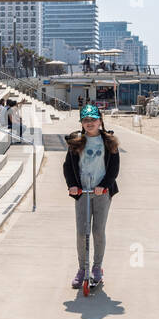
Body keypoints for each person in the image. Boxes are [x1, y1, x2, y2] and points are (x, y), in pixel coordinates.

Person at [63, 103, 120, 289]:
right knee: (81, 232)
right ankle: (82, 269)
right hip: (82, 193)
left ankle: (96, 268)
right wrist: (72, 185)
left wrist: (104, 185)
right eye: (86, 120)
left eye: (93, 120)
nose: (90, 123)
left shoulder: (109, 141)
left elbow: (114, 168)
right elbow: (67, 167)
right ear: (81, 123)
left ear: (100, 121)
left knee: (97, 231)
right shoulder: (76, 141)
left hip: (102, 193)